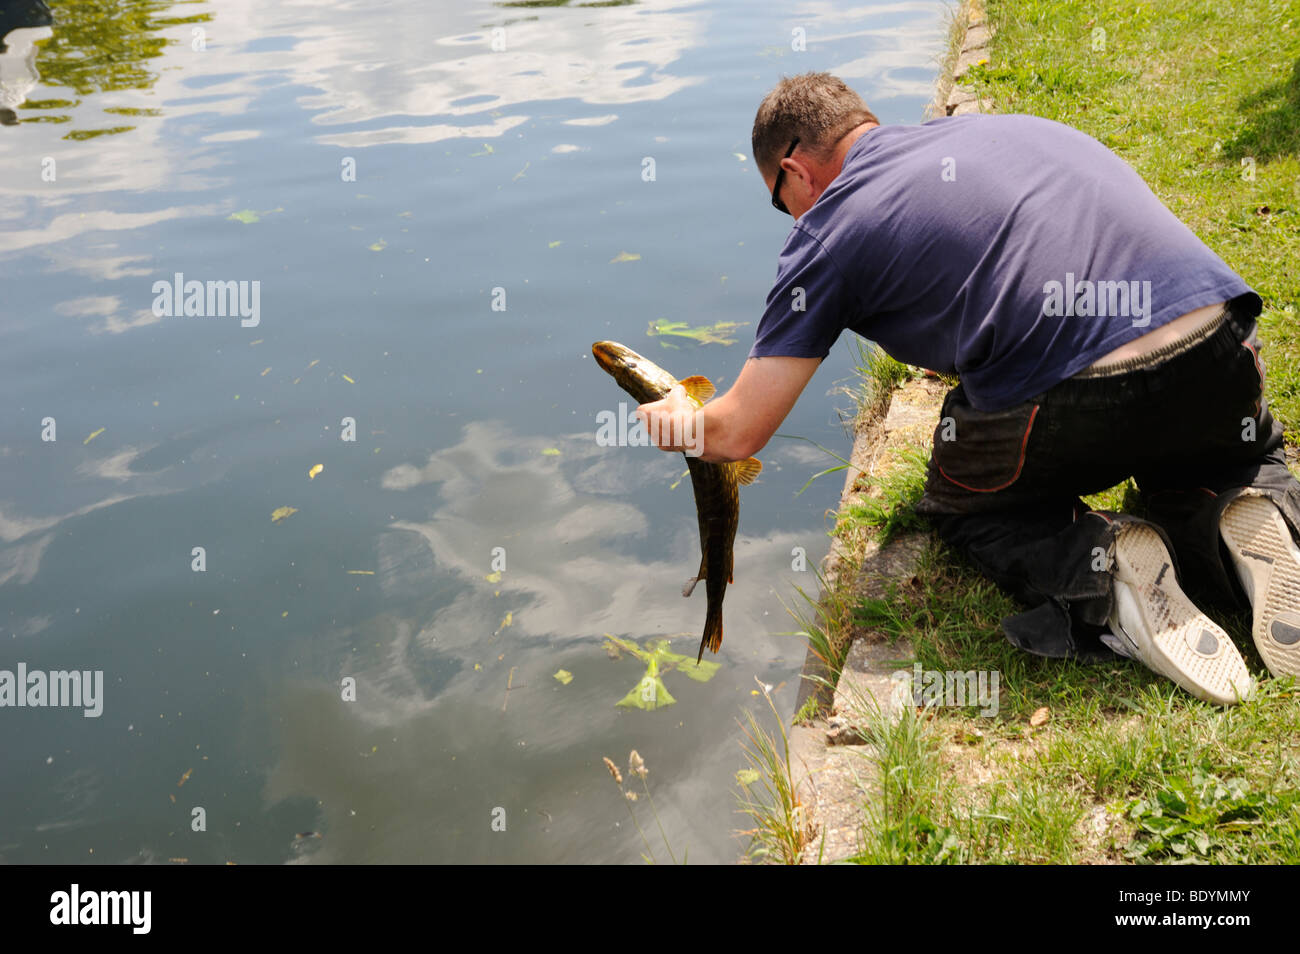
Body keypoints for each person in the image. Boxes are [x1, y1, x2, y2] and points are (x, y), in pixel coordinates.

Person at [634, 71, 1300, 706]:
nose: (792, 218)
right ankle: (1249, 509)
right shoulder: (1006, 130)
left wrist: (674, 418)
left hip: (1081, 390)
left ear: (797, 171)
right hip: (1218, 344)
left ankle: (1106, 568)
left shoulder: (827, 229)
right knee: (1229, 456)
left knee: (966, 509)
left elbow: (736, 433)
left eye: (782, 202)